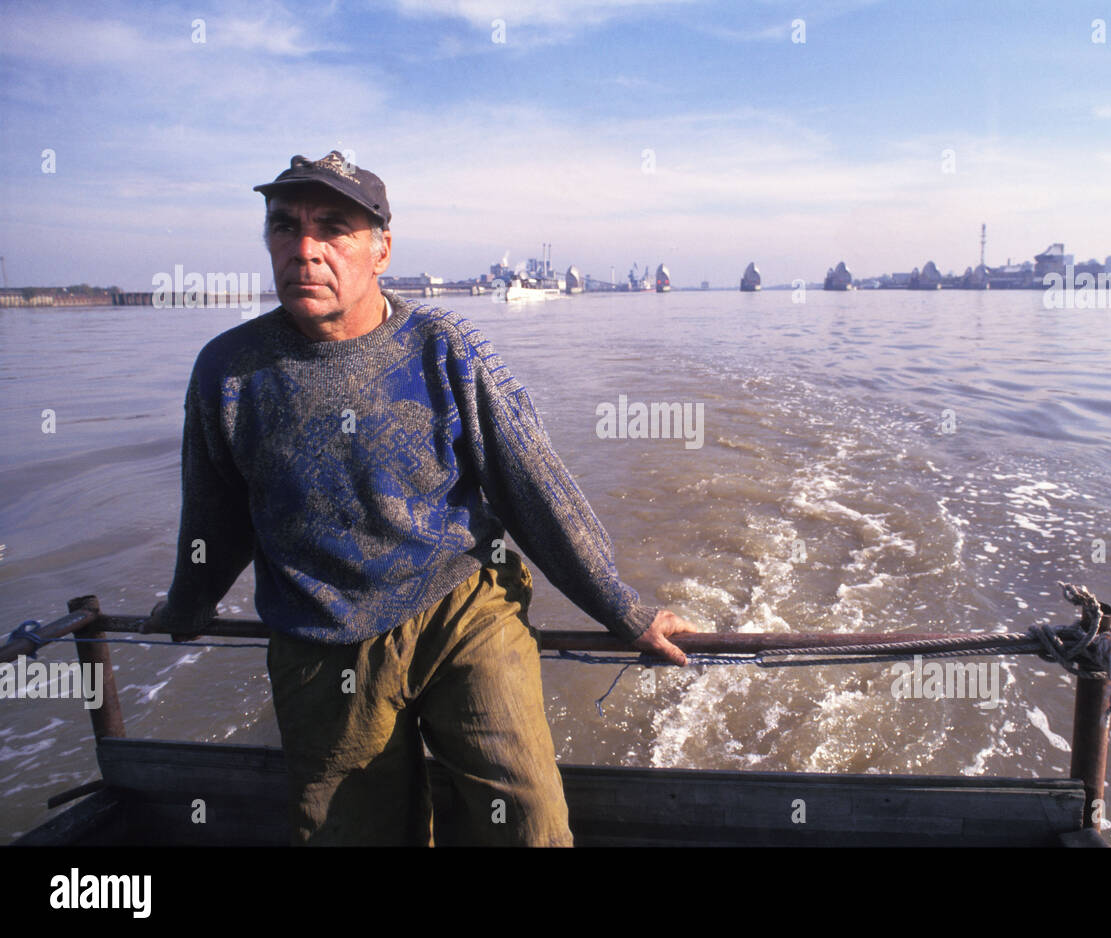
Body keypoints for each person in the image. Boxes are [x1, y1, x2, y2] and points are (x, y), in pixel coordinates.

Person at [145, 150, 697, 846]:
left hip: (460, 609)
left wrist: (622, 607)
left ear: (381, 248)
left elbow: (534, 487)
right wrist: (188, 607)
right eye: (285, 226)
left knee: (528, 824)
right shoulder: (230, 372)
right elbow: (213, 517)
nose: (305, 249)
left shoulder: (442, 346)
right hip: (319, 638)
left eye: (333, 227)